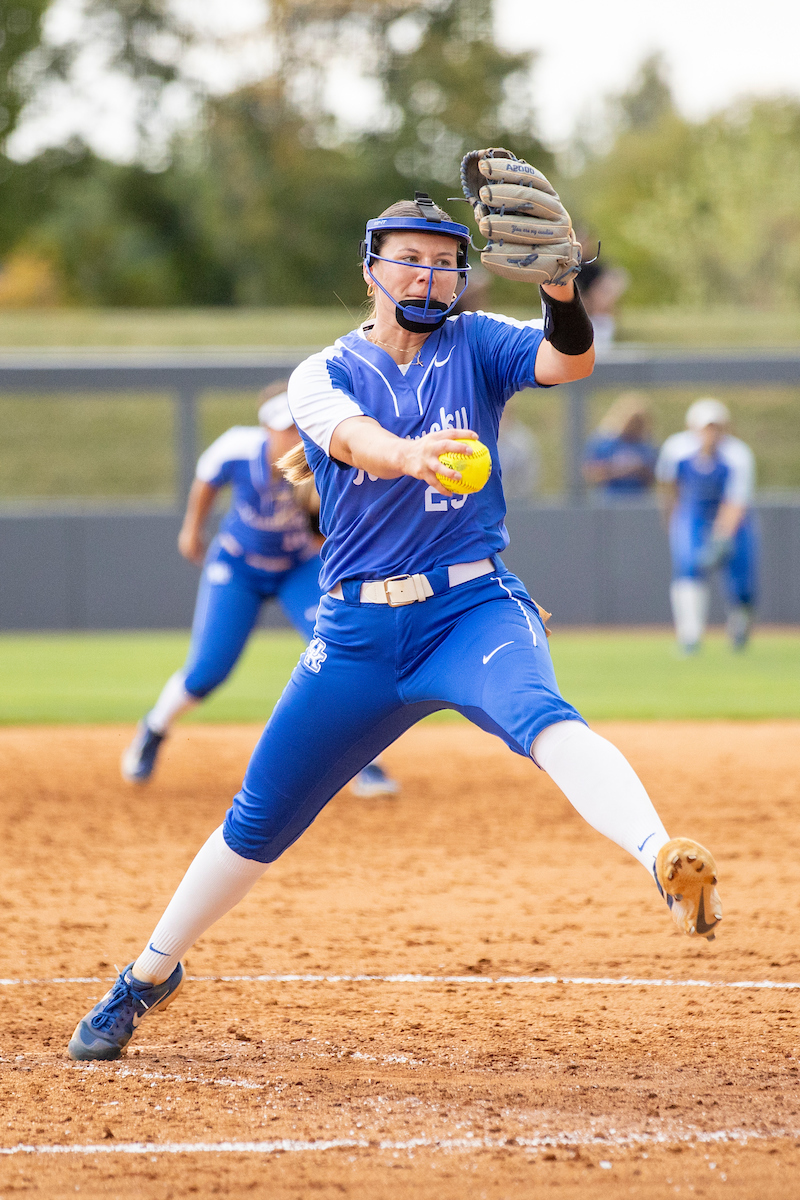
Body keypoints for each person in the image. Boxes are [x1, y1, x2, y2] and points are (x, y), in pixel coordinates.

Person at [67, 175, 722, 1063]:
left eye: (446, 265)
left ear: (461, 281)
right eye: (408, 261)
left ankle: (660, 855)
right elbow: (347, 439)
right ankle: (146, 974)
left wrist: (562, 291)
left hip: (472, 608)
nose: (427, 278)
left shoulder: (478, 346)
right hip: (358, 635)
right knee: (257, 822)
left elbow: (569, 362)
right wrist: (411, 456)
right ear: (371, 269)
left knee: (544, 719)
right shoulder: (323, 371)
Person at [120, 384, 398, 799]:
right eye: (284, 429)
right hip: (238, 566)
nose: (292, 438)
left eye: (298, 429)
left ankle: (364, 762)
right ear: (265, 428)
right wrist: (192, 530)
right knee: (208, 670)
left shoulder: (319, 459)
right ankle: (154, 730)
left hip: (298, 568)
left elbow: (340, 521)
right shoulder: (236, 447)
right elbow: (205, 481)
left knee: (342, 657)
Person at [656, 397, 757, 654]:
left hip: (730, 517)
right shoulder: (677, 449)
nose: (710, 433)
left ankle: (740, 626)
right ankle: (690, 635)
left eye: (716, 427)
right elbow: (669, 488)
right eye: (705, 427)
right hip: (694, 512)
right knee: (688, 567)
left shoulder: (738, 454)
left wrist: (721, 536)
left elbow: (736, 501)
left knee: (741, 576)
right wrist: (673, 522)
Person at [583, 392, 658, 499]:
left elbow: (655, 476)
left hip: (638, 500)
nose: (634, 426)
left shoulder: (646, 446)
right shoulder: (604, 442)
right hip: (608, 500)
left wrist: (641, 470)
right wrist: (623, 470)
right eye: (632, 421)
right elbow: (592, 473)